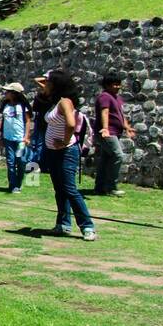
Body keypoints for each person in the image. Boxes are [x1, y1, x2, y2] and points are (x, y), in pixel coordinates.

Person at [40, 69, 96, 241]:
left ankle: (87, 226)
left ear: (56, 85)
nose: (45, 85)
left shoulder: (65, 102)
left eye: (48, 82)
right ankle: (63, 224)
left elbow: (71, 124)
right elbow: (41, 84)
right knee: (59, 190)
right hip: (53, 152)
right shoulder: (55, 101)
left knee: (70, 189)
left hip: (66, 151)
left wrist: (64, 142)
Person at [93, 72, 134, 197]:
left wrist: (126, 127)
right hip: (108, 133)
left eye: (118, 84)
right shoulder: (104, 97)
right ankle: (111, 187)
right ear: (107, 85)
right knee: (118, 155)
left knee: (106, 159)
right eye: (114, 85)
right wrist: (105, 129)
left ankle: (100, 187)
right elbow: (104, 112)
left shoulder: (116, 98)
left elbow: (120, 114)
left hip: (115, 132)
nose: (117, 87)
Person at [0, 82, 29, 193]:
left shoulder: (22, 106)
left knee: (20, 161)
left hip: (20, 139)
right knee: (10, 162)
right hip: (8, 138)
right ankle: (12, 185)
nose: (5, 93)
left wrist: (26, 136)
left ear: (14, 93)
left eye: (8, 92)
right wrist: (1, 136)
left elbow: (27, 121)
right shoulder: (6, 106)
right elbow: (4, 122)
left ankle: (19, 182)